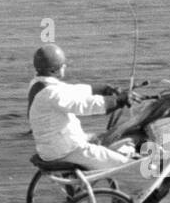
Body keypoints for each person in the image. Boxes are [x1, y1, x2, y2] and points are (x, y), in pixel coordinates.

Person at [27, 43, 136, 171]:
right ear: (52, 70)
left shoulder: (39, 84)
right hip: (66, 150)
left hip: (55, 146)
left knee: (107, 139)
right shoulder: (51, 93)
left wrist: (104, 89)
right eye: (62, 65)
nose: (64, 67)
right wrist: (117, 101)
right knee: (128, 164)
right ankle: (156, 173)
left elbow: (72, 91)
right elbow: (83, 105)